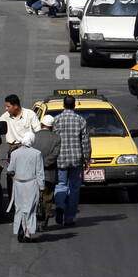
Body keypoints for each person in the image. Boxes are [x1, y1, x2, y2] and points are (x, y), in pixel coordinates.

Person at [53, 94, 91, 228]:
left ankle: (59, 205)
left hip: (60, 159)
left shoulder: (56, 120)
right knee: (74, 188)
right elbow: (85, 142)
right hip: (76, 159)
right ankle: (69, 219)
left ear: (63, 105)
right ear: (74, 106)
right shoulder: (80, 120)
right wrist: (87, 159)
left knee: (61, 185)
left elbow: (53, 141)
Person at [8, 132, 45, 242]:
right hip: (31, 183)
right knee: (30, 208)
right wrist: (42, 187)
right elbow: (39, 172)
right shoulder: (37, 153)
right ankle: (28, 232)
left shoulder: (15, 153)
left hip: (18, 184)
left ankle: (20, 228)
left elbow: (10, 170)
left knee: (19, 208)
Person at [32, 112, 61, 230]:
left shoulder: (33, 136)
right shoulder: (56, 138)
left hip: (33, 174)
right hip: (49, 173)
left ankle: (32, 222)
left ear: (41, 124)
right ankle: (43, 223)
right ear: (52, 126)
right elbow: (54, 155)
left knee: (34, 198)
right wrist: (44, 163)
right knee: (47, 199)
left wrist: (38, 165)